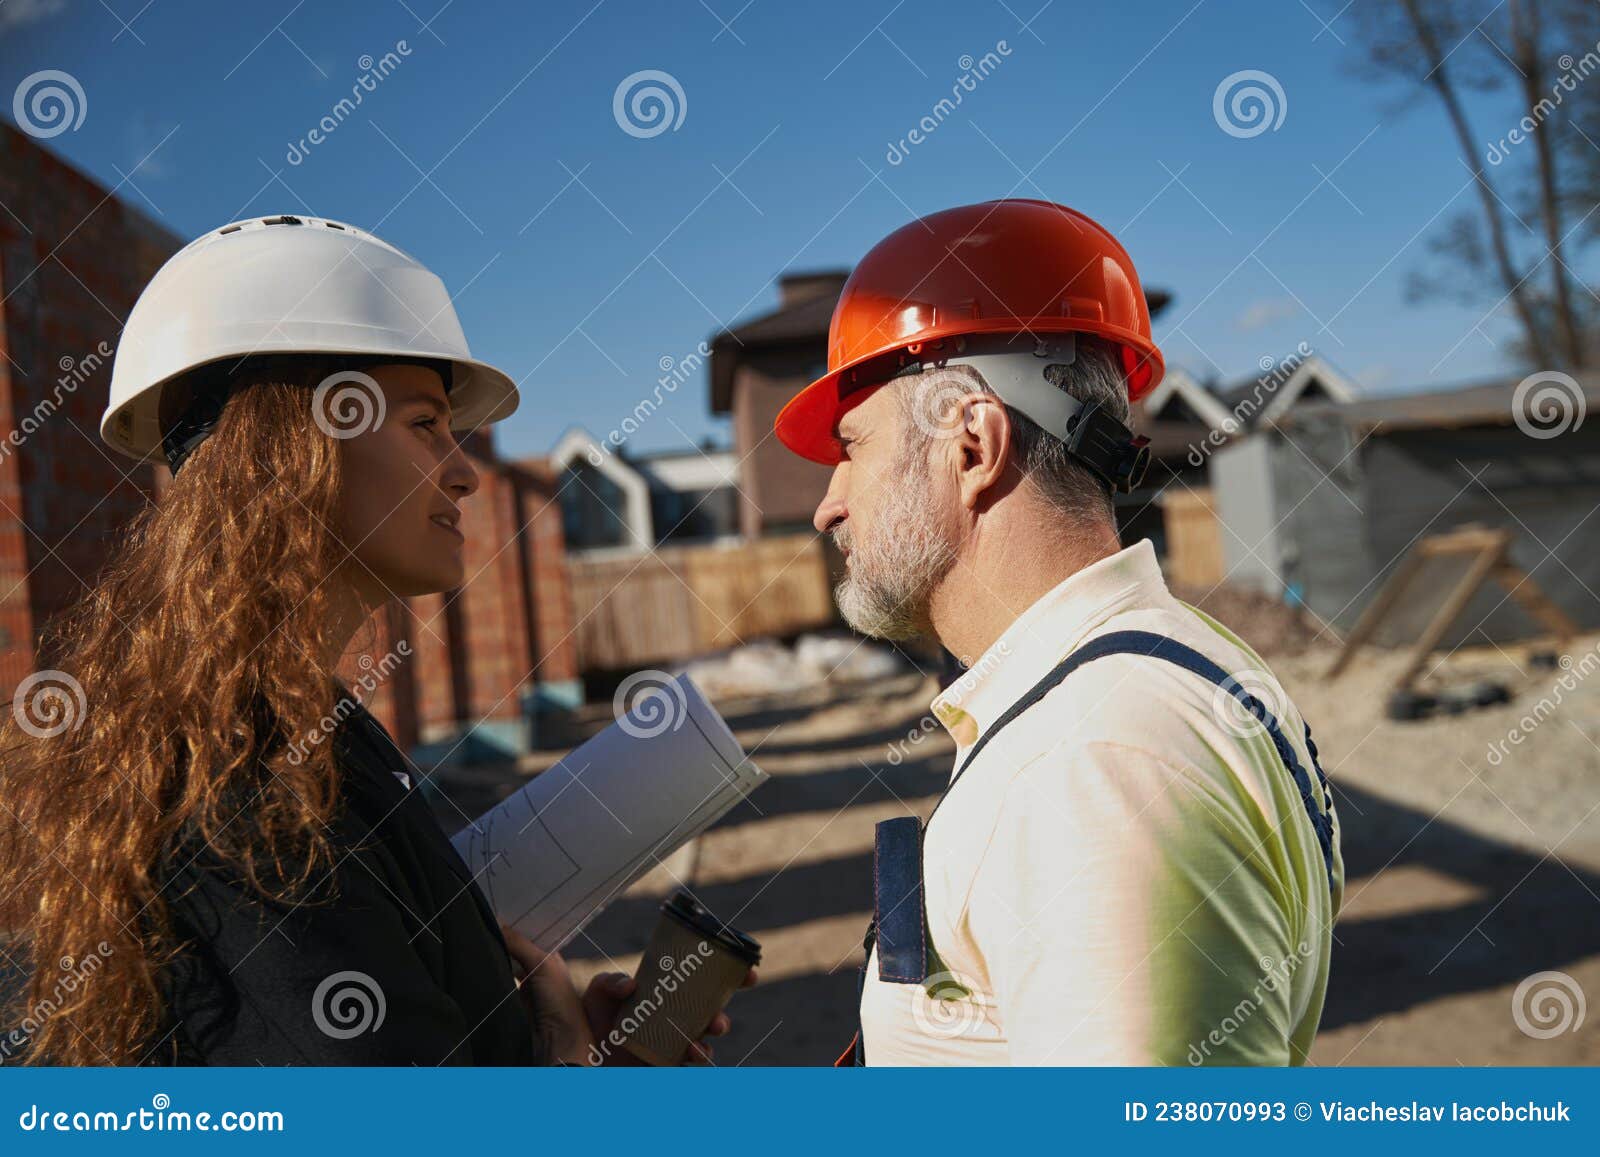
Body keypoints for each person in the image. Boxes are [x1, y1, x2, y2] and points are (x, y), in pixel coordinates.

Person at [0, 215, 748, 1065]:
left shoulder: (287, 723)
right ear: (295, 446)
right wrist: (566, 1068)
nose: (463, 470)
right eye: (426, 424)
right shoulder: (247, 784)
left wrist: (546, 1041)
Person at [774, 199, 1343, 1066]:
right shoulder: (1141, 675)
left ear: (971, 445)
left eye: (854, 444)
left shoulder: (1092, 755)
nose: (828, 504)